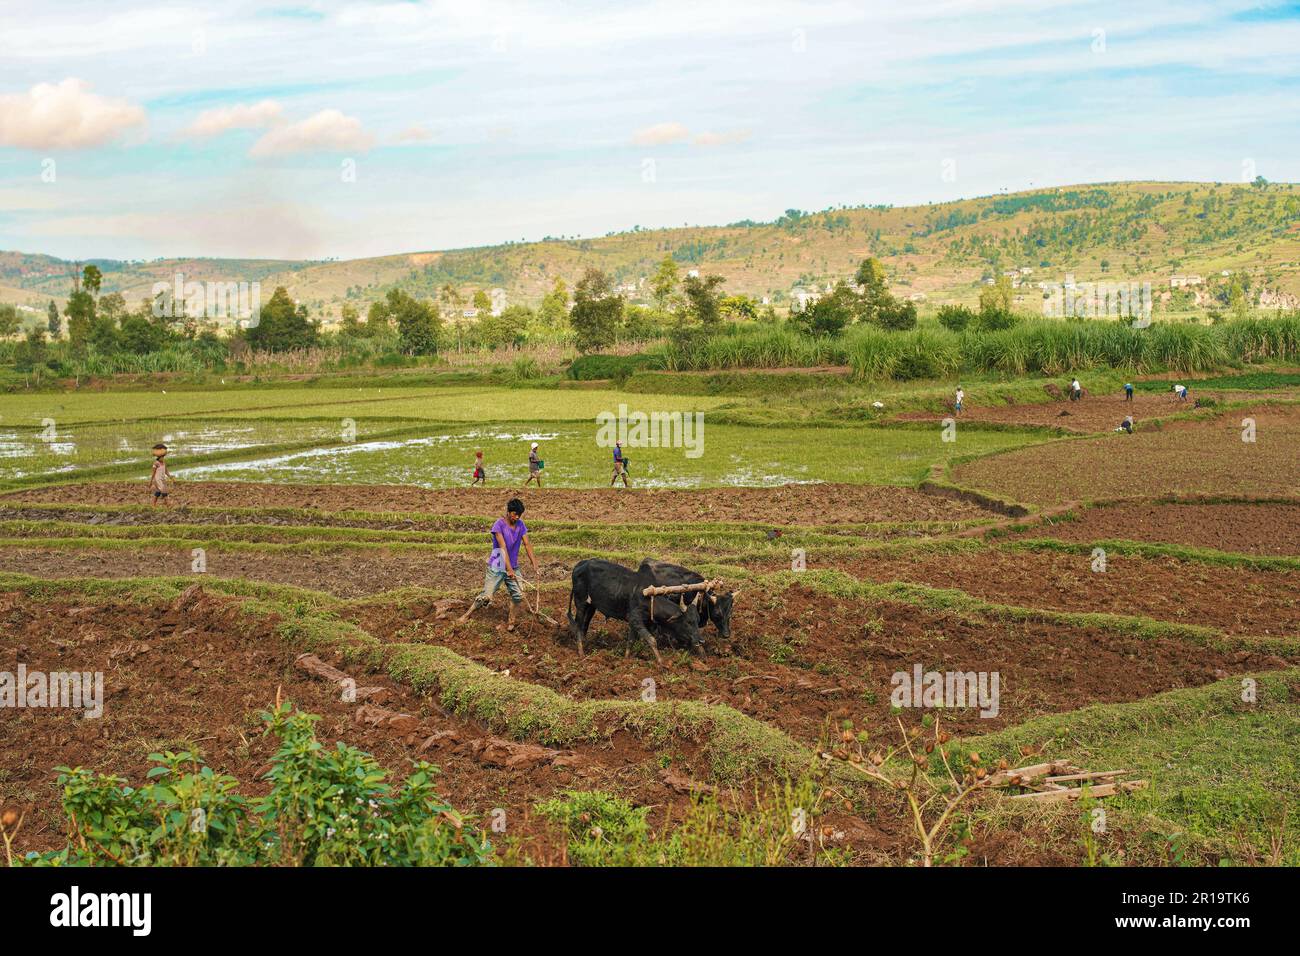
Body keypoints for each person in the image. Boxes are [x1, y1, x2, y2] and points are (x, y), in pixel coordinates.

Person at [458, 498, 538, 632]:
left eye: (519, 515)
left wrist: (534, 563)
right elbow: (502, 547)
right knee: (486, 596)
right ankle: (466, 615)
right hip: (497, 564)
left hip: (512, 565)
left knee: (518, 595)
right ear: (508, 512)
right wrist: (509, 569)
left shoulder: (521, 525)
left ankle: (511, 622)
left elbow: (527, 544)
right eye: (514, 514)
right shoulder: (498, 525)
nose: (517, 517)